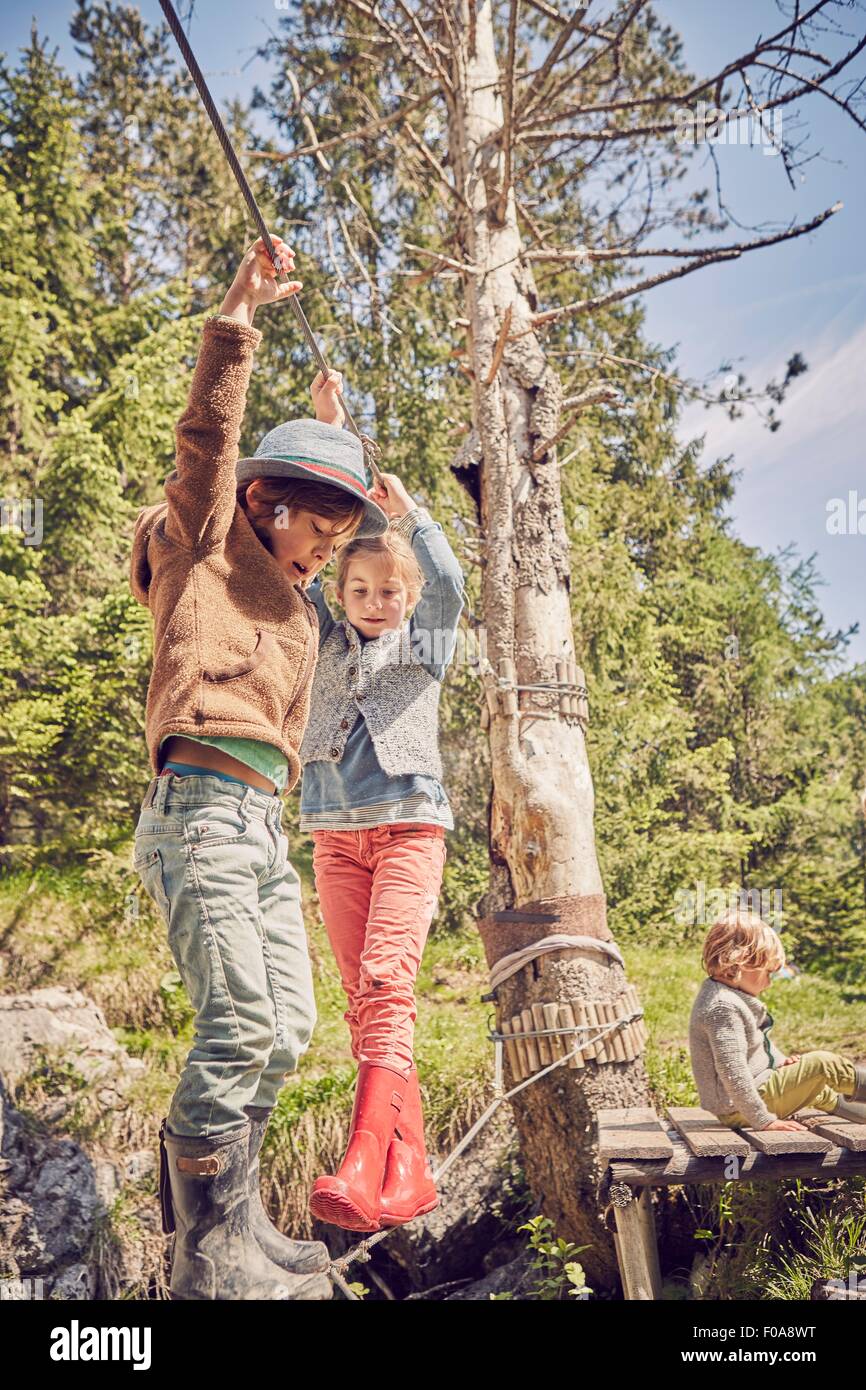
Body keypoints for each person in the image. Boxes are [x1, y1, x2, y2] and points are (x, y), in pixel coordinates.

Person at [129, 235, 388, 1299]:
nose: (318, 561)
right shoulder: (201, 545)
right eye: (308, 539)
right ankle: (203, 1254)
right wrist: (239, 313)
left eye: (332, 550)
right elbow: (210, 435)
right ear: (257, 503)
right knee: (235, 1020)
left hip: (256, 826)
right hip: (196, 812)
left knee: (282, 1028)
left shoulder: (293, 603)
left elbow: (342, 522)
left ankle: (240, 1222)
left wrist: (332, 434)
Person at [297, 432, 464, 1233]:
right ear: (340, 593)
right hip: (334, 839)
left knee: (388, 982)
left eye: (388, 592)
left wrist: (409, 515)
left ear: (404, 599)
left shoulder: (422, 650)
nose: (373, 602)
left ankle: (365, 1159)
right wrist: (332, 441)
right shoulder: (322, 640)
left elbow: (452, 585)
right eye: (358, 588)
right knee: (366, 1003)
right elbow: (281, 569)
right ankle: (410, 1169)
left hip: (406, 833)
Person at [689, 908, 866, 1132]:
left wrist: (780, 1062)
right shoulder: (722, 1007)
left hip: (745, 1101)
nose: (769, 983)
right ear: (738, 964)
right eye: (767, 973)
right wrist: (763, 1119)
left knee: (820, 1089)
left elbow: (756, 1043)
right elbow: (733, 1072)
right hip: (742, 1108)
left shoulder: (727, 996)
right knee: (824, 1064)